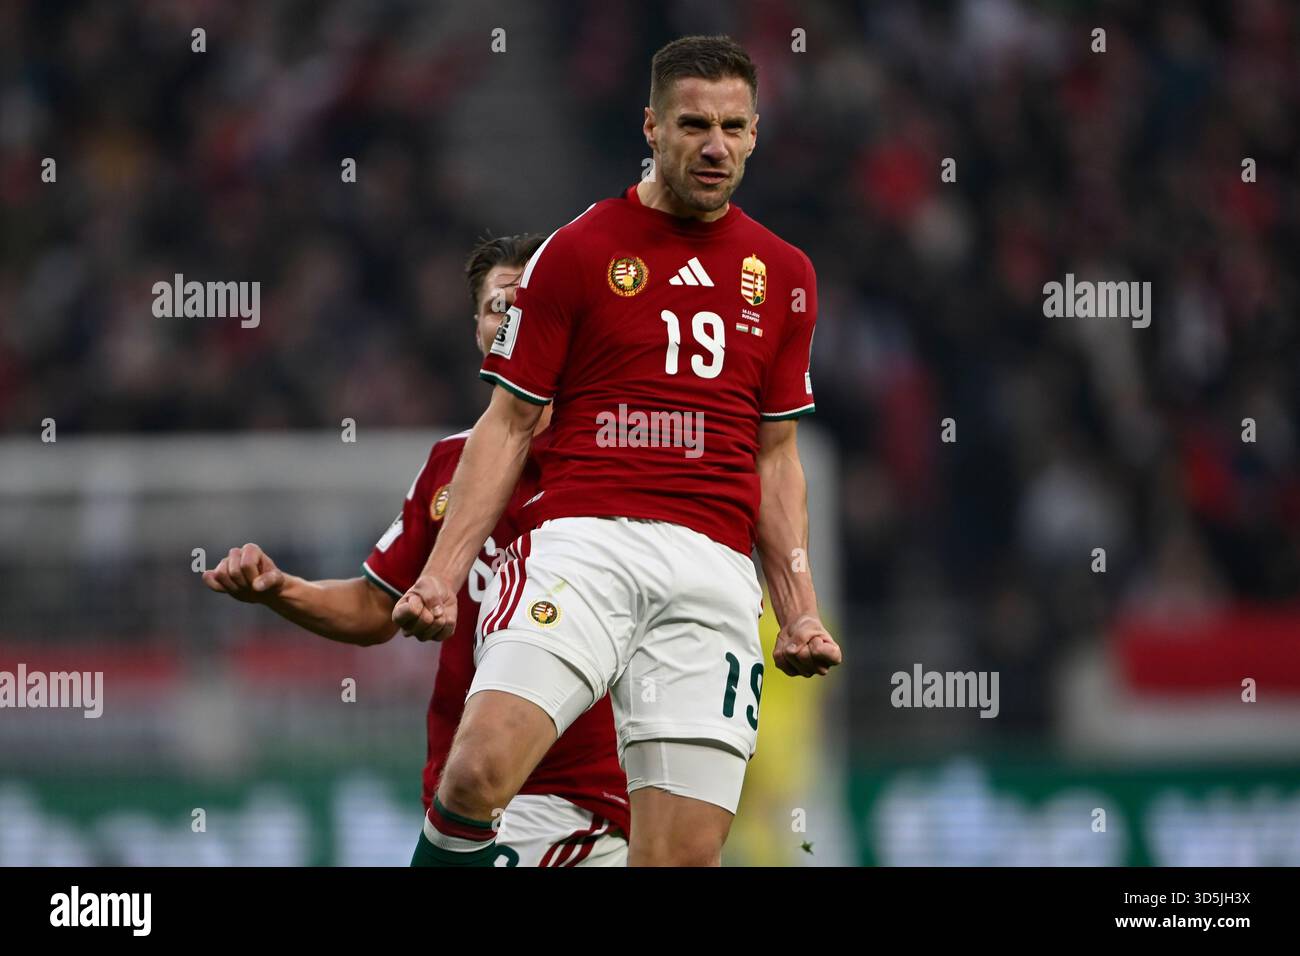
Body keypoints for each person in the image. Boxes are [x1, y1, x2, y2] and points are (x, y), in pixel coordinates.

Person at [393, 35, 842, 866]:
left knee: (679, 856)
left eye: (734, 127)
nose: (715, 145)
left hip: (712, 568)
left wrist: (801, 607)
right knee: (477, 773)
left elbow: (775, 456)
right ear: (651, 126)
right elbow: (509, 423)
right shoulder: (579, 250)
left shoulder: (784, 275)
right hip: (585, 544)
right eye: (694, 124)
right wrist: (441, 574)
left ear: (754, 134)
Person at [203, 234, 629, 866]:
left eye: (528, 305)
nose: (511, 320)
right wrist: (281, 589)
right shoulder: (448, 466)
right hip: (465, 805)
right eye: (496, 308)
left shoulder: (616, 458)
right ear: (477, 331)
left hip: (570, 799)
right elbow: (377, 608)